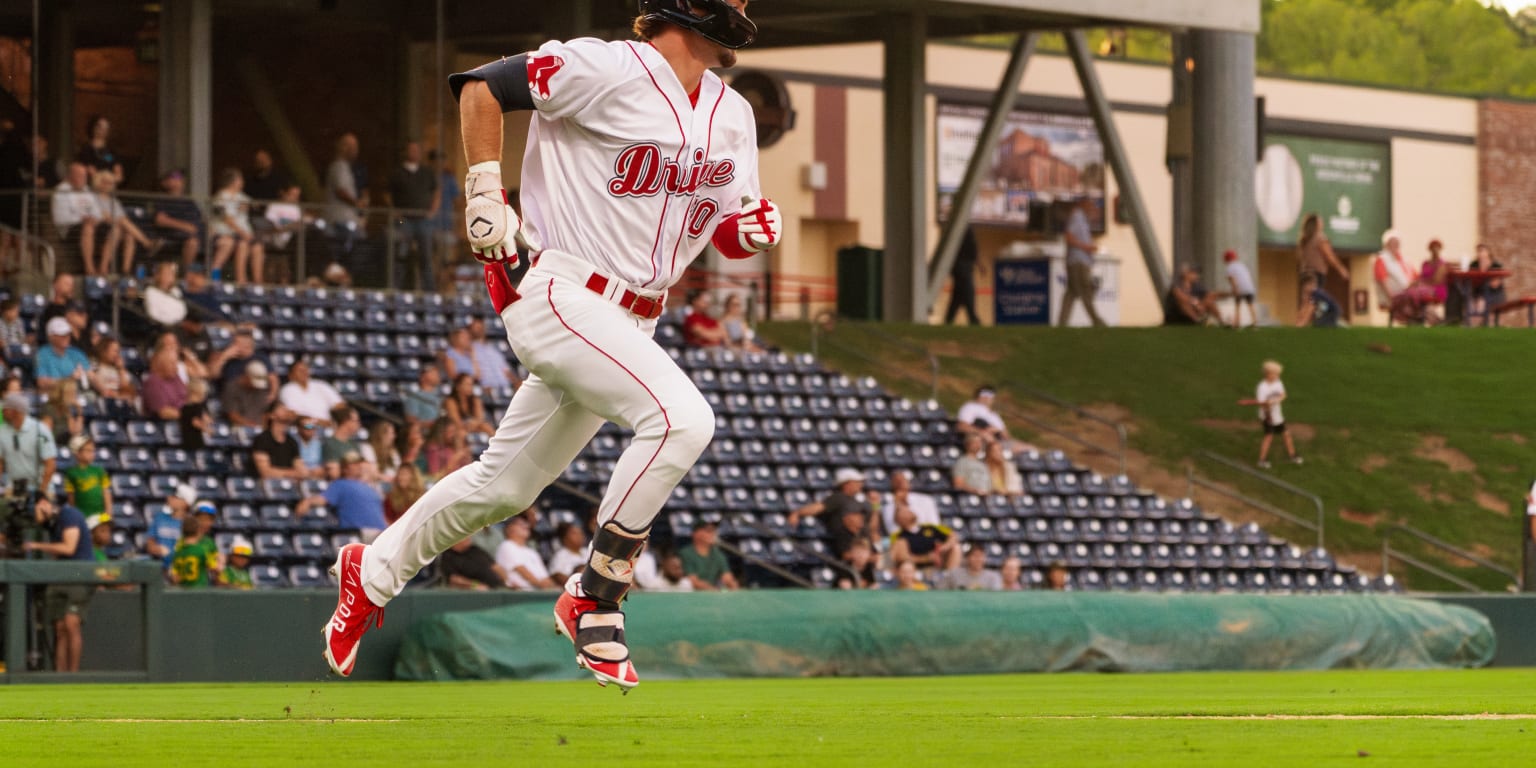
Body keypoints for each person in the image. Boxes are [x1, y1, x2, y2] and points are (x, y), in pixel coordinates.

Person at [322, 0, 780, 691]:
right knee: (684, 420)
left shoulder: (734, 113)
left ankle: (373, 570)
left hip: (636, 320)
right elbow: (483, 86)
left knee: (503, 486)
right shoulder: (607, 66)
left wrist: (744, 234)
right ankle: (596, 593)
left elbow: (720, 228)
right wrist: (484, 186)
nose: (747, 4)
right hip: (566, 293)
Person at [23, 495, 94, 671]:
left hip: (78, 572)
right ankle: (60, 676)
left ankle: (73, 675)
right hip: (61, 575)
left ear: (47, 504)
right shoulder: (53, 522)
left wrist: (37, 546)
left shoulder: (69, 514)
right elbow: (42, 524)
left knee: (71, 623)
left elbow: (69, 548)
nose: (37, 516)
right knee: (59, 628)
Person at [298, 452, 387, 541]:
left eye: (359, 463)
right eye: (354, 464)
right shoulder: (340, 484)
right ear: (345, 469)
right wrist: (307, 501)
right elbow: (322, 499)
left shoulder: (368, 487)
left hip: (382, 532)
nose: (359, 466)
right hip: (360, 533)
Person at [389, 140, 440, 291]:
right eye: (411, 150)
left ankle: (430, 291)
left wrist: (433, 211)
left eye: (417, 150)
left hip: (423, 219)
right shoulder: (397, 173)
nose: (414, 153)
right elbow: (388, 195)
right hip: (404, 220)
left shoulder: (427, 172)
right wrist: (395, 212)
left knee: (425, 256)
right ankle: (397, 288)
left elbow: (436, 191)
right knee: (401, 254)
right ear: (406, 152)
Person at [210, 168, 265, 284]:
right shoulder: (220, 197)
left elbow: (256, 205)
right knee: (243, 244)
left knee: (257, 247)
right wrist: (243, 233)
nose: (242, 181)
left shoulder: (241, 196)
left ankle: (258, 282)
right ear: (234, 181)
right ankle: (241, 280)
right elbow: (226, 218)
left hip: (244, 233)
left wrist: (249, 206)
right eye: (240, 179)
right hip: (226, 233)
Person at [1058, 196, 1105, 327]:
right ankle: (1097, 321)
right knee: (1086, 291)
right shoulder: (1077, 216)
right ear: (1084, 204)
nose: (1093, 209)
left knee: (1071, 292)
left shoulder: (1083, 219)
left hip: (1079, 261)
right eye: (1091, 205)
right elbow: (1069, 237)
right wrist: (1086, 247)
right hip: (1078, 261)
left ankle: (1062, 323)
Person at [0, 391, 58, 492]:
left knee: (42, 507)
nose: (2, 411)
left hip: (39, 487)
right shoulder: (2, 431)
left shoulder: (40, 430)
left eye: (5, 409)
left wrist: (42, 492)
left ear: (14, 411)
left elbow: (50, 464)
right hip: (13, 487)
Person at [51, 163, 102, 275]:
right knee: (88, 228)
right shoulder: (61, 191)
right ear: (71, 176)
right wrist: (82, 219)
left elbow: (98, 213)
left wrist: (93, 218)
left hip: (91, 225)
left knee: (115, 228)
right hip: (70, 230)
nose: (83, 179)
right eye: (79, 175)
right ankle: (90, 269)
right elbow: (60, 218)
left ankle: (104, 268)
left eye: (84, 176)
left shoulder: (87, 190)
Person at [1250, 360, 1301, 469]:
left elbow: (1283, 395)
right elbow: (1263, 405)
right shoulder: (1262, 387)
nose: (1278, 376)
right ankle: (1261, 460)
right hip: (1267, 416)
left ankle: (1293, 455)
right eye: (1275, 374)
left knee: (1286, 434)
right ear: (1268, 374)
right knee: (1269, 436)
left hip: (1277, 415)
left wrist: (1275, 400)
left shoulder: (1278, 382)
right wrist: (1267, 407)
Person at [151, 170, 205, 267]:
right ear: (165, 183)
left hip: (195, 233)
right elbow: (160, 220)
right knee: (192, 242)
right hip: (172, 235)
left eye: (179, 178)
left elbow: (200, 218)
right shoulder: (162, 199)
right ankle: (186, 273)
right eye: (174, 178)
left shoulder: (189, 202)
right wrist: (185, 226)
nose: (178, 180)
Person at [1295, 212, 1348, 311]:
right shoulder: (1320, 237)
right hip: (1316, 274)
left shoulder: (1304, 239)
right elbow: (1329, 256)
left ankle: (1301, 323)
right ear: (1316, 224)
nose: (1322, 223)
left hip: (1305, 273)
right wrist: (1341, 269)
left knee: (1307, 301)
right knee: (1313, 302)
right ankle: (1303, 324)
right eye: (1320, 221)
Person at [888, 504, 961, 573]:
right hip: (916, 568)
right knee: (906, 565)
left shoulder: (930, 527)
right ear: (898, 519)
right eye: (904, 512)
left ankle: (950, 576)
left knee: (956, 547)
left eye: (908, 510)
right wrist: (926, 558)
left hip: (939, 561)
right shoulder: (897, 535)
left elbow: (953, 535)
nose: (909, 512)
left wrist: (944, 547)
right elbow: (900, 556)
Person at [1373, 230, 1425, 325]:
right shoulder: (1382, 259)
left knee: (1422, 294)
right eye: (1393, 243)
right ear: (1386, 244)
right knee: (1414, 296)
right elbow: (1381, 280)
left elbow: (1416, 277)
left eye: (1397, 243)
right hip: (1395, 295)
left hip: (1408, 292)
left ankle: (1426, 318)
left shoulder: (1404, 260)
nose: (1395, 245)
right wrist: (1391, 298)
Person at [252, 403, 312, 481]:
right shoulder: (262, 439)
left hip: (290, 485)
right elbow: (265, 472)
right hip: (268, 486)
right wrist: (291, 473)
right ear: (272, 415)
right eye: (281, 408)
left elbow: (301, 469)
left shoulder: (292, 442)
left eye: (286, 408)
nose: (286, 411)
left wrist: (302, 472)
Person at [495, 513, 555, 589]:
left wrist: (551, 586)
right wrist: (542, 585)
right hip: (521, 593)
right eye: (520, 524)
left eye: (526, 523)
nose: (525, 526)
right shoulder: (507, 545)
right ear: (509, 529)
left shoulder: (532, 551)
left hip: (539, 591)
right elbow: (522, 570)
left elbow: (545, 576)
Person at [278, 356, 344, 426]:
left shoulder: (321, 385)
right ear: (290, 375)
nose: (304, 372)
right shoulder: (287, 389)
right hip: (304, 426)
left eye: (305, 369)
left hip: (328, 426)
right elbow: (293, 414)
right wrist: (318, 422)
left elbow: (340, 405)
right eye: (300, 370)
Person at [679, 517, 739, 591]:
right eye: (708, 530)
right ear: (695, 533)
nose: (713, 533)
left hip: (712, 596)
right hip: (690, 596)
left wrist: (732, 585)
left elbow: (727, 578)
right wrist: (713, 590)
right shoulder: (685, 553)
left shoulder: (718, 555)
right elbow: (692, 581)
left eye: (714, 530)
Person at [169, 504, 222, 587]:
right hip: (193, 587)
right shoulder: (182, 542)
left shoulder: (210, 542)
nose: (205, 523)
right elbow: (215, 567)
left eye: (209, 520)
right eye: (201, 519)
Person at [145, 483, 196, 568]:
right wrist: (156, 548)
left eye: (175, 497)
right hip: (159, 566)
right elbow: (150, 543)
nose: (169, 498)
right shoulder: (160, 518)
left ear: (186, 503)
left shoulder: (191, 523)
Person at [63, 435, 111, 522]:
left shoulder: (99, 471)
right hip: (81, 517)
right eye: (88, 450)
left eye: (93, 451)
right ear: (77, 452)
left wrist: (108, 514)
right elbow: (71, 497)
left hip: (99, 516)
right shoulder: (71, 473)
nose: (92, 454)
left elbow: (106, 493)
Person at [34, 316, 90, 391]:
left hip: (77, 394)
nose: (66, 337)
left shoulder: (76, 353)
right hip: (54, 396)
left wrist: (105, 391)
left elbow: (91, 374)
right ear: (51, 337)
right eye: (62, 334)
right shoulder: (42, 354)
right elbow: (42, 383)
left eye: (68, 334)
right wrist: (69, 379)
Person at [879, 469, 939, 535]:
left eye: (903, 480)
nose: (900, 483)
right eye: (897, 481)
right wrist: (898, 504)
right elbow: (894, 532)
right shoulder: (887, 507)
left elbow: (934, 525)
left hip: (928, 537)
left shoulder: (926, 500)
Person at [467, 317, 519, 391]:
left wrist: (516, 382)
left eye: (481, 327)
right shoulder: (469, 348)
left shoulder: (493, 349)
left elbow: (506, 370)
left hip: (504, 386)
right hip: (486, 387)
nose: (480, 329)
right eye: (476, 327)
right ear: (469, 330)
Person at [944, 225, 981, 325]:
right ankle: (972, 318)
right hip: (963, 267)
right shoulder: (965, 230)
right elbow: (973, 249)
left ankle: (950, 319)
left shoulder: (961, 230)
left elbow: (973, 249)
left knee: (958, 296)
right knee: (966, 293)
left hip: (961, 267)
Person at [439, 536, 506, 590]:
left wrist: (506, 582)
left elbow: (495, 566)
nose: (469, 538)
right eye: (465, 536)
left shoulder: (475, 550)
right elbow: (454, 579)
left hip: (497, 587)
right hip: (472, 591)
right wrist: (475, 585)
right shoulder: (447, 555)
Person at [220, 359, 272, 428]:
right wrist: (252, 426)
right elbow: (232, 414)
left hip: (259, 426)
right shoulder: (232, 387)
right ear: (247, 376)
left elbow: (264, 412)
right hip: (239, 427)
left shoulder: (261, 389)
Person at [443, 372, 495, 437]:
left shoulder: (475, 400)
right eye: (467, 384)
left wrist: (473, 424)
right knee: (461, 433)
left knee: (486, 427)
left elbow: (480, 418)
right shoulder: (450, 401)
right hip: (456, 428)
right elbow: (456, 421)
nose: (470, 387)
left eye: (471, 385)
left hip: (473, 426)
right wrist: (469, 425)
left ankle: (497, 445)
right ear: (458, 386)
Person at [75, 115, 124, 183]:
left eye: (106, 127)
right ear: (93, 128)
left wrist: (110, 179)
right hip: (91, 187)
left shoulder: (112, 151)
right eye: (100, 127)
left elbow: (119, 175)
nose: (103, 130)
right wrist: (102, 180)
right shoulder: (85, 149)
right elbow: (90, 171)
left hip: (109, 187)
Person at [143, 260, 189, 329]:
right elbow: (153, 314)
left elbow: (182, 310)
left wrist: (176, 321)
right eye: (166, 273)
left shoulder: (176, 291)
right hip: (159, 327)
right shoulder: (150, 291)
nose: (170, 276)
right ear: (158, 275)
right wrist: (170, 322)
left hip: (177, 326)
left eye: (171, 273)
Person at [1469, 243, 1506, 324]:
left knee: (1481, 303)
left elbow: (1495, 284)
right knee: (1470, 302)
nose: (1480, 253)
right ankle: (1472, 327)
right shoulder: (1474, 265)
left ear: (1488, 252)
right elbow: (1471, 281)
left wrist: (1483, 274)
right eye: (1478, 251)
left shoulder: (1496, 265)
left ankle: (1474, 328)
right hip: (1477, 294)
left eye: (1482, 251)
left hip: (1494, 295)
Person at [383, 462, 426, 526]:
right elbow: (387, 520)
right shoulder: (390, 498)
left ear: (413, 477)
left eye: (404, 474)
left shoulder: (422, 496)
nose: (401, 477)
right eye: (399, 474)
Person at [402, 365, 444, 429]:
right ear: (423, 377)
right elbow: (410, 421)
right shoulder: (414, 397)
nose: (437, 374)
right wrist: (429, 424)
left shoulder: (440, 398)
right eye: (432, 372)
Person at [1223, 250, 1256, 328]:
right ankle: (1255, 323)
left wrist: (1235, 289)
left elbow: (1232, 279)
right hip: (1249, 288)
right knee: (1250, 305)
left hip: (1240, 288)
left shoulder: (1230, 267)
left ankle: (1236, 323)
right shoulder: (1242, 265)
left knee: (1237, 305)